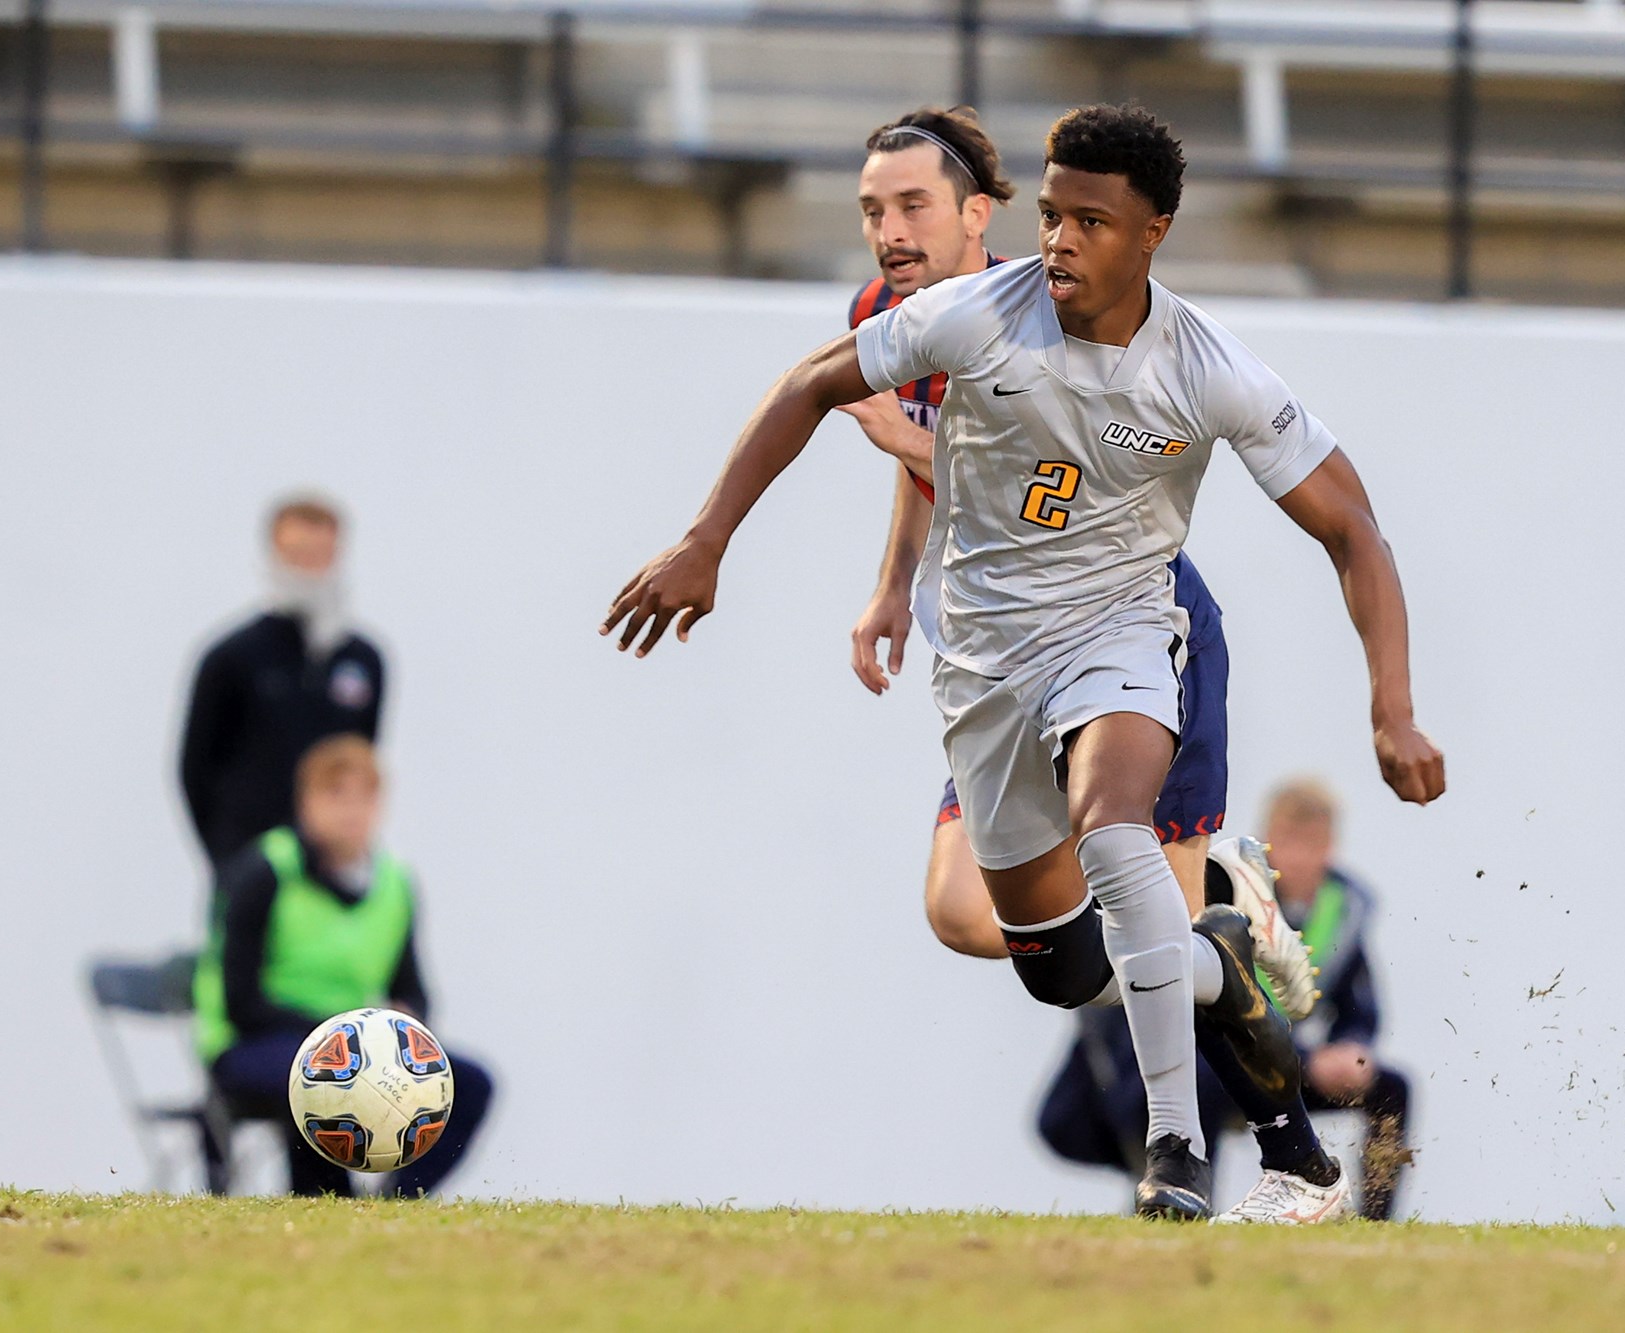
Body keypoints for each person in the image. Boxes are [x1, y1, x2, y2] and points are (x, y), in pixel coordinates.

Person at [604, 103, 1445, 1222]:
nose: (1058, 241)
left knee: (1114, 829)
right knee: (1041, 955)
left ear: (1152, 231)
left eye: (1087, 221)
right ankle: (1222, 959)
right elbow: (811, 386)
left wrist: (1391, 705)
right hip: (986, 663)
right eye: (1050, 216)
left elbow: (1351, 528)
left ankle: (1179, 1150)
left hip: (1128, 631)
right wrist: (710, 540)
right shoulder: (968, 318)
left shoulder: (1207, 369)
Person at [837, 108, 1321, 1201]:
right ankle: (1219, 946)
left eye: (913, 205)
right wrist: (889, 585)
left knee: (1138, 894)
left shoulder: (1047, 308)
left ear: (976, 216)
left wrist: (913, 442)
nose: (890, 231)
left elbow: (1034, 469)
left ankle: (1271, 1159)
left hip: (1127, 629)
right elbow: (948, 475)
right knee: (974, 919)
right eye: (872, 209)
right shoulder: (888, 314)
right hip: (1000, 642)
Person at [192, 736, 493, 1197]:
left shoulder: (395, 885)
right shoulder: (265, 871)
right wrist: (337, 1036)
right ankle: (328, 1202)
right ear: (305, 802)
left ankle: (395, 1203)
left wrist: (405, 1026)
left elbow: (412, 989)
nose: (351, 811)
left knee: (469, 1083)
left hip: (357, 1045)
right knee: (324, 1076)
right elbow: (240, 1002)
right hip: (254, 1043)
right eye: (335, 794)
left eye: (364, 796)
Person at [179, 494, 387, 870]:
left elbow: (363, 758)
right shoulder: (232, 657)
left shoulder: (362, 661)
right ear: (273, 553)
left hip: (332, 869)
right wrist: (227, 858)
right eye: (298, 553)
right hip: (251, 861)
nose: (308, 568)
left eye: (320, 553)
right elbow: (195, 767)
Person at [1261, 777, 1415, 1221]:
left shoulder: (1343, 911)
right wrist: (1306, 1058)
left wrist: (1351, 1049)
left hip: (1297, 1066)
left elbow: (1359, 1006)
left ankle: (1376, 1221)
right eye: (1290, 840)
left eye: (1315, 843)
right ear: (1267, 842)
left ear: (1331, 847)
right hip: (1229, 1065)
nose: (1301, 856)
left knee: (1392, 1089)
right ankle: (1194, 1209)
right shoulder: (1239, 902)